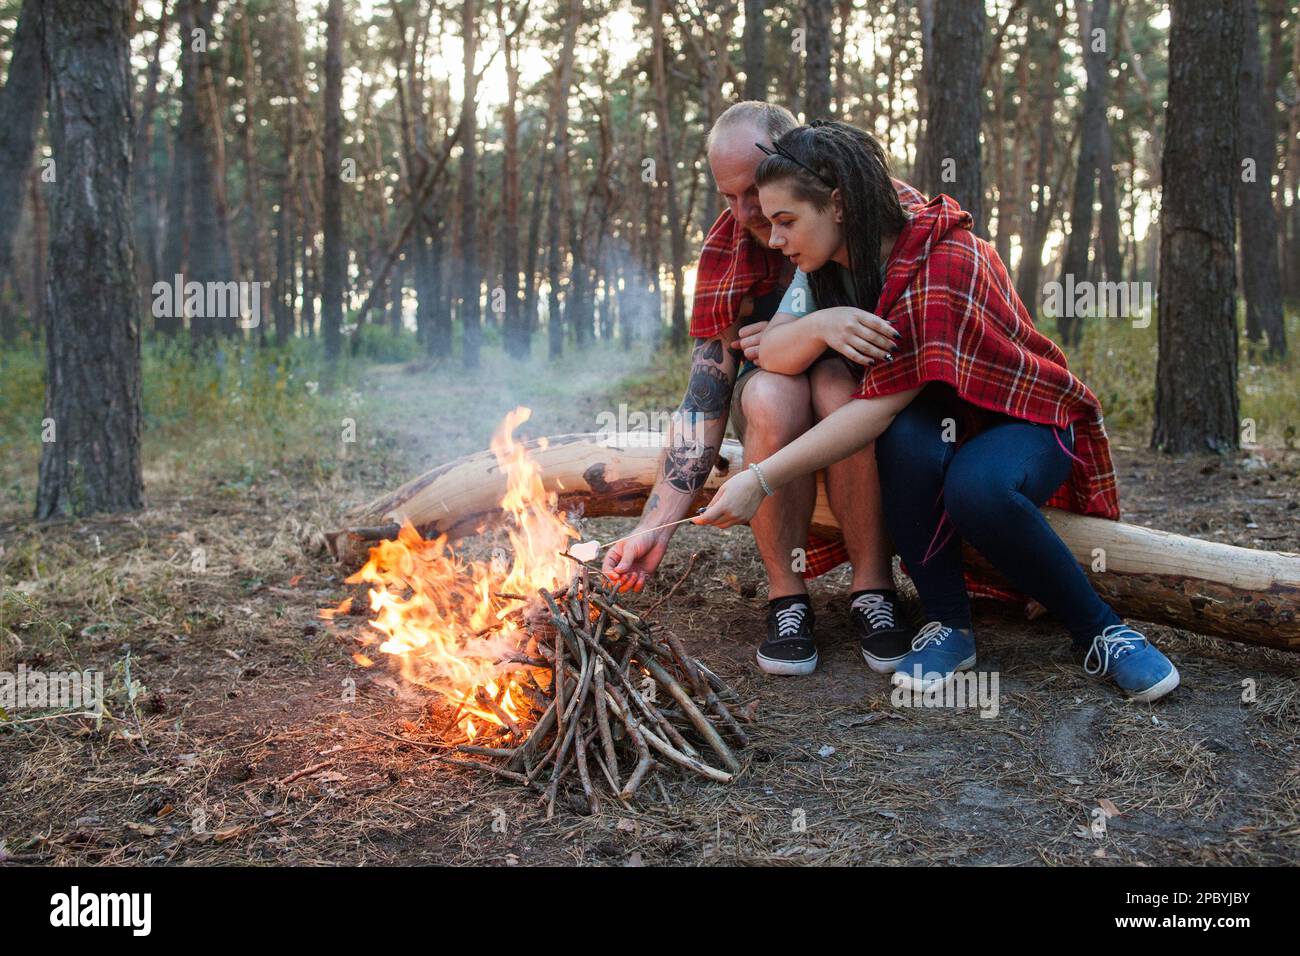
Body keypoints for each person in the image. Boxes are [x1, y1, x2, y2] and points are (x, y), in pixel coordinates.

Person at [694, 120, 1180, 703]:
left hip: (1017, 416)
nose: (774, 240)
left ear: (838, 204)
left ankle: (1102, 630)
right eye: (771, 223)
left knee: (975, 488)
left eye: (785, 221)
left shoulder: (942, 261)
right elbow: (771, 348)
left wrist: (759, 477)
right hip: (935, 417)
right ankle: (948, 626)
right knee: (906, 448)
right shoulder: (822, 261)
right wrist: (822, 324)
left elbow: (873, 410)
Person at [602, 101, 926, 676]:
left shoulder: (879, 206)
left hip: (879, 395)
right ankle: (786, 597)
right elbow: (704, 399)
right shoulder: (727, 247)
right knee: (775, 395)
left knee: (833, 387)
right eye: (726, 196)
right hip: (777, 401)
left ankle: (873, 588)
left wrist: (812, 335)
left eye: (753, 190)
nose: (745, 212)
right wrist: (655, 528)